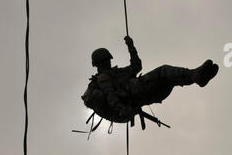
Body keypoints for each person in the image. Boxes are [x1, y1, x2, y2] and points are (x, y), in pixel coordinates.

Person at [82, 36, 219, 123]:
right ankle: (195, 75)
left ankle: (197, 77)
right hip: (139, 91)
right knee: (163, 71)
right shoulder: (103, 79)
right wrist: (123, 110)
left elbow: (136, 66)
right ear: (99, 64)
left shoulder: (117, 73)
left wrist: (131, 47)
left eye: (107, 60)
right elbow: (110, 96)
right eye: (105, 61)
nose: (108, 63)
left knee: (170, 79)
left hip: (148, 95)